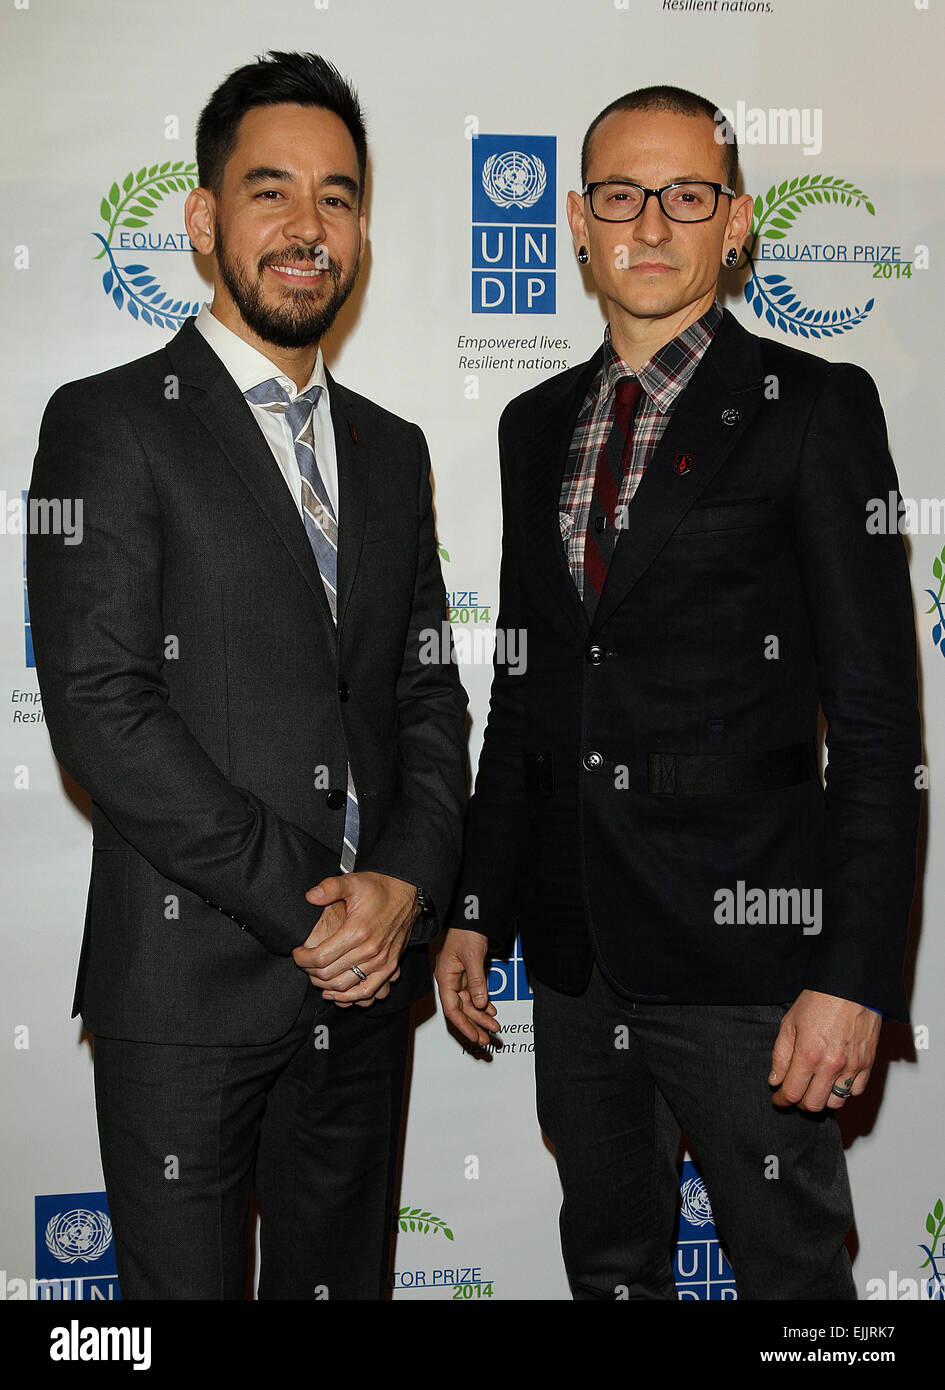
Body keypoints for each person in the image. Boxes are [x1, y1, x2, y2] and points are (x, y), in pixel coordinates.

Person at [436, 85, 920, 1300]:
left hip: (754, 957)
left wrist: (855, 973)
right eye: (619, 195)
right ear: (576, 220)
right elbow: (529, 692)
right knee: (607, 1267)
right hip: (576, 948)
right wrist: (479, 902)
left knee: (796, 1285)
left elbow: (875, 726)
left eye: (686, 196)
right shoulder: (531, 424)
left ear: (736, 222)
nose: (650, 223)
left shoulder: (813, 409)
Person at [28, 50, 467, 1300]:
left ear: (362, 230)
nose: (306, 227)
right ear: (204, 219)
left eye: (336, 197)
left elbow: (427, 691)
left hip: (367, 989)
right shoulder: (105, 420)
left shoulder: (392, 450)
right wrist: (317, 905)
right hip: (189, 996)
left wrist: (405, 884)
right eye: (270, 192)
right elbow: (103, 710)